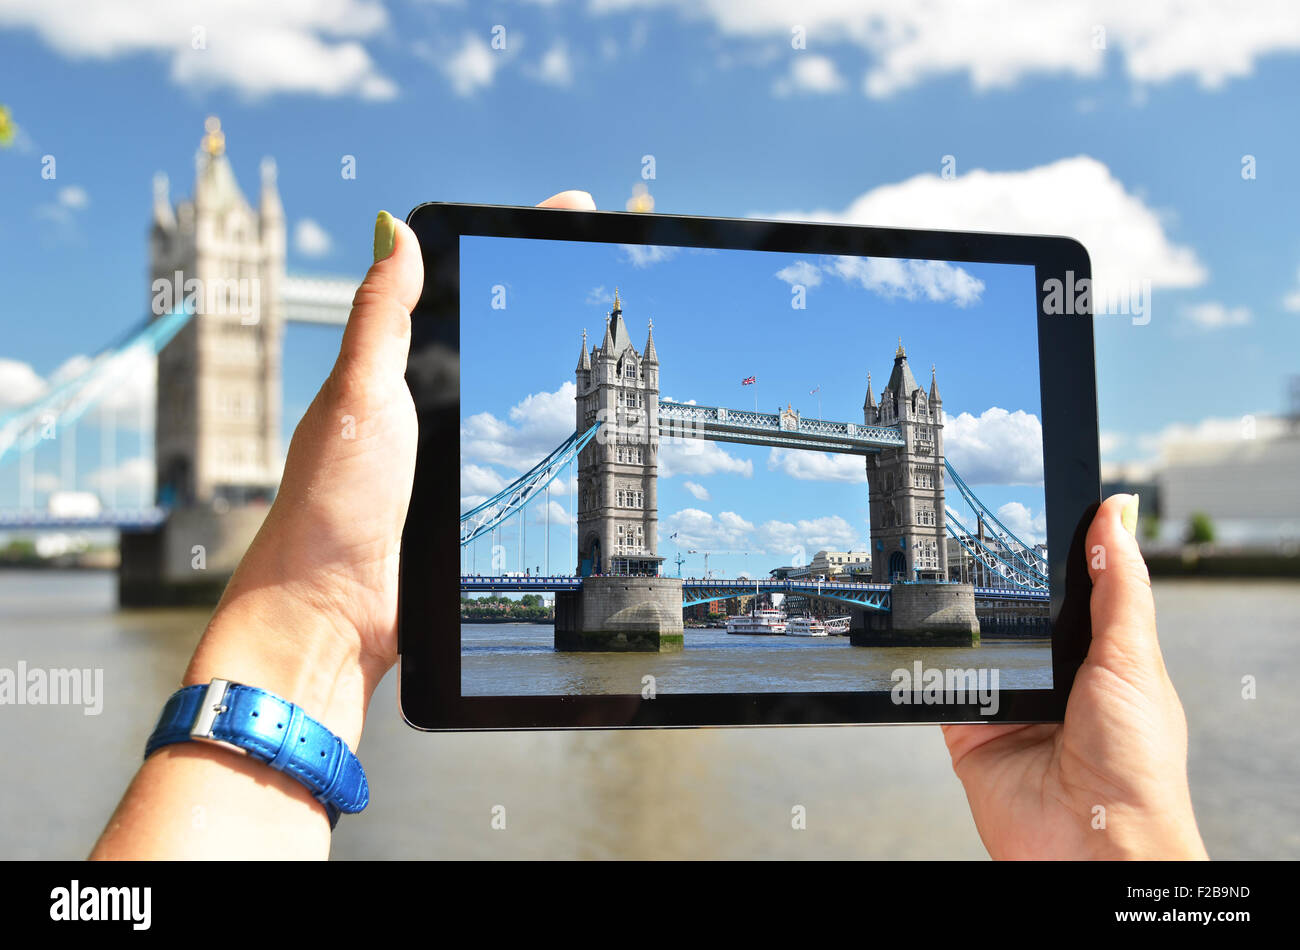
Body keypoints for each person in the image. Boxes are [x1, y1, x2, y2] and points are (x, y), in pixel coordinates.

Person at [91, 191, 1207, 861]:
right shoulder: (611, 420)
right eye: (615, 390)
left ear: (908, 428)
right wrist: (1116, 835)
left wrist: (308, 634)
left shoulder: (912, 464)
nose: (617, 401)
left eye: (904, 429)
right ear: (609, 389)